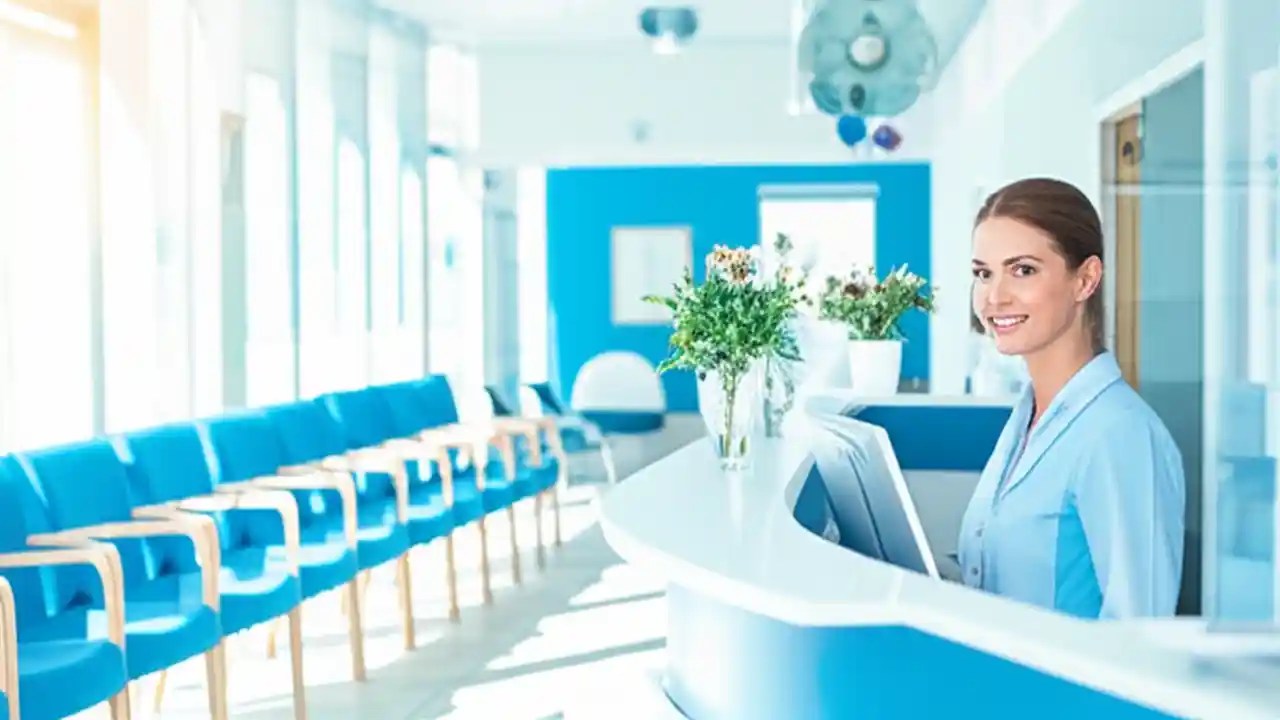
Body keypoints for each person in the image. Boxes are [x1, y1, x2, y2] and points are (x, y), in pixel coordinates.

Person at [956, 177, 1186, 619]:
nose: (995, 296)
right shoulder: (1028, 417)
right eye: (983, 273)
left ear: (1085, 279)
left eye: (1022, 270)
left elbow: (1141, 634)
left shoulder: (1120, 435)